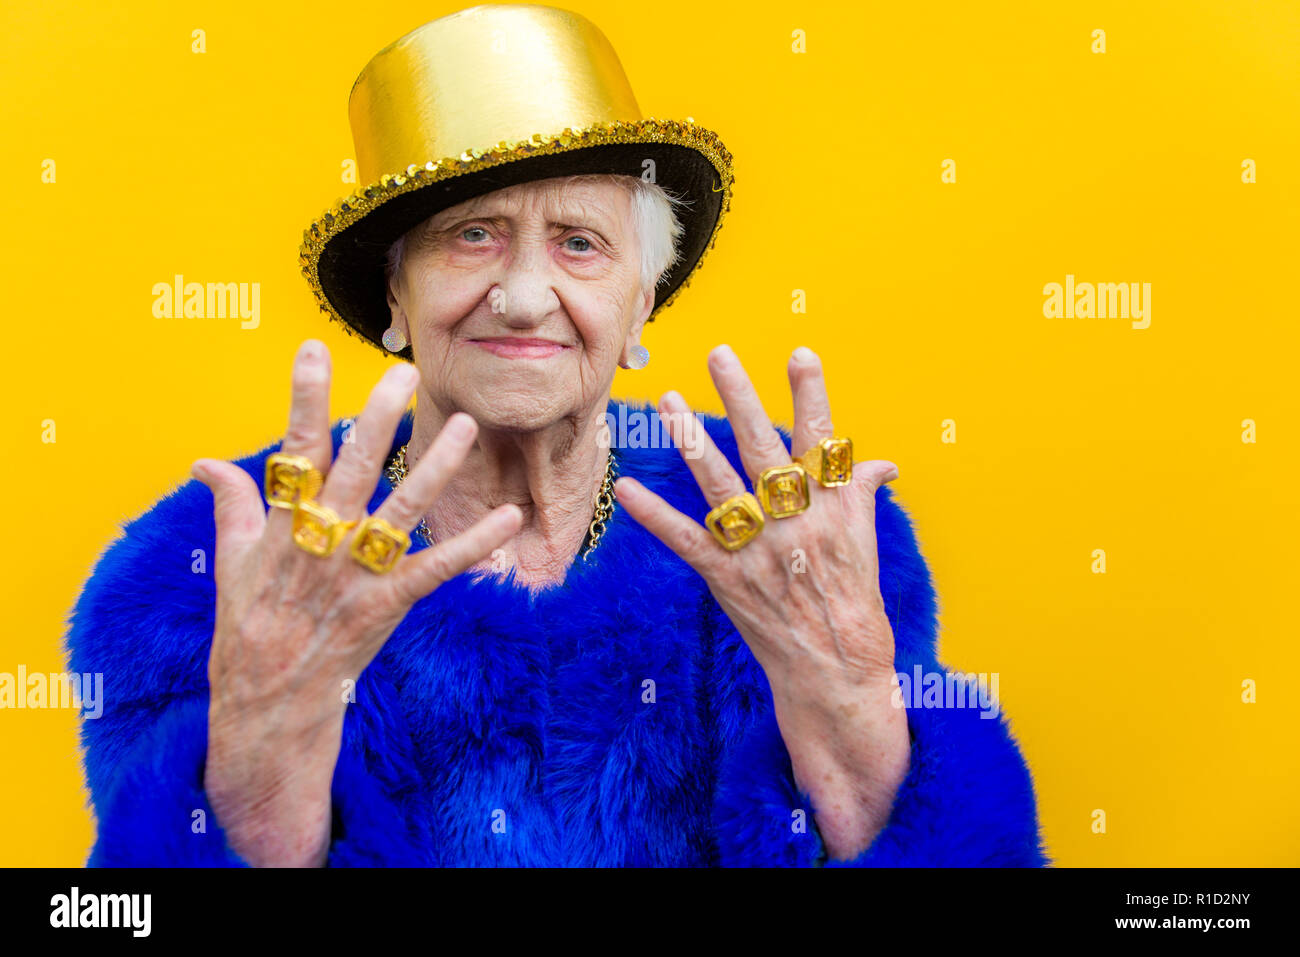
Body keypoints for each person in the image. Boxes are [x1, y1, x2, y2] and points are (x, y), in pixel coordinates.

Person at [67, 4, 1047, 867]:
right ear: (395, 303)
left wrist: (849, 707)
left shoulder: (794, 534)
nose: (526, 295)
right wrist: (257, 763)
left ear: (637, 309)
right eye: (471, 235)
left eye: (578, 243)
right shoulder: (214, 565)